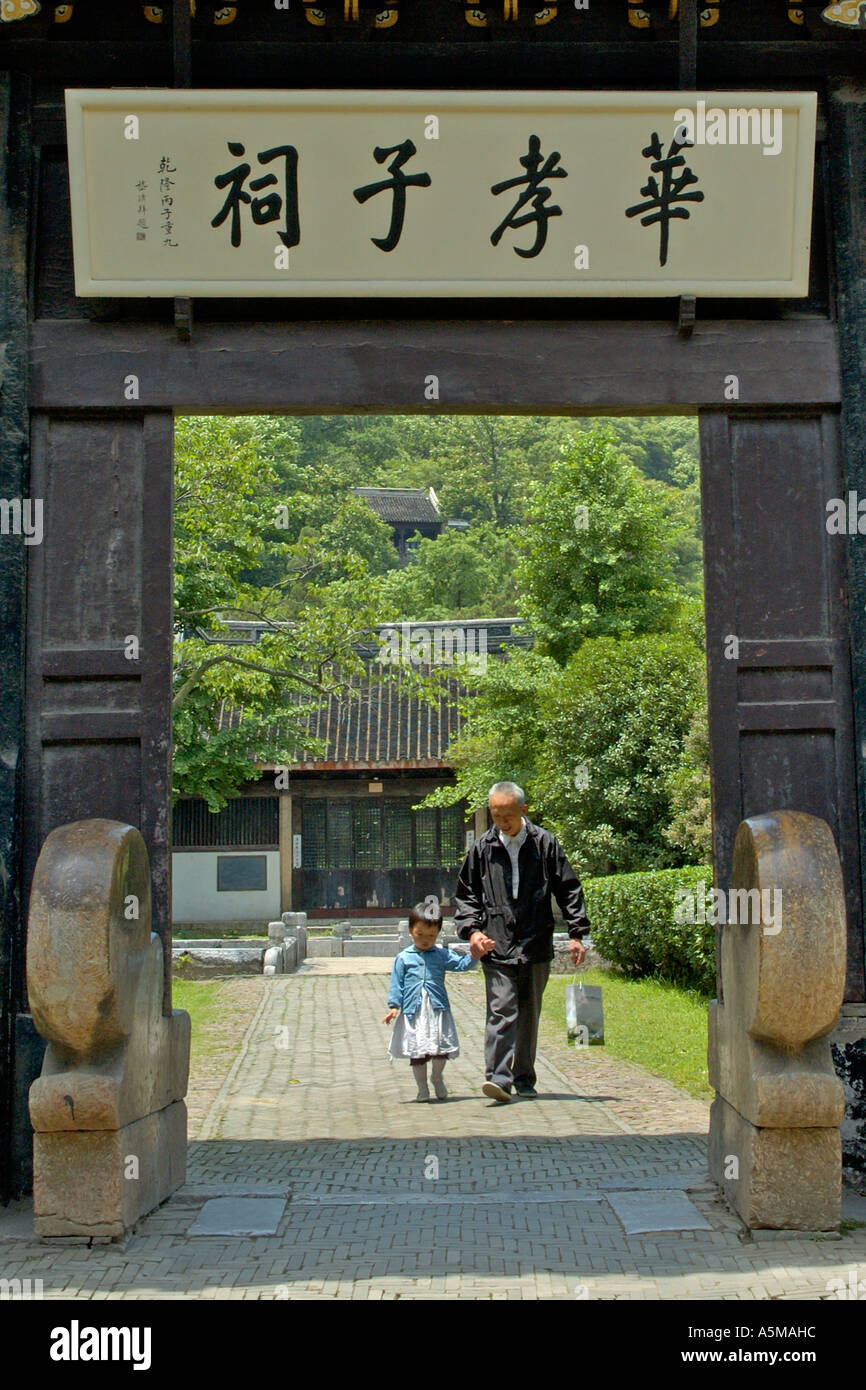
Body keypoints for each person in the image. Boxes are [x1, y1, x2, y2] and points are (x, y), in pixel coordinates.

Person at [455, 781, 590, 1103]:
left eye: (508, 816)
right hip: (496, 941)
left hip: (535, 941)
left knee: (529, 1012)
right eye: (495, 815)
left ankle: (524, 1078)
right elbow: (467, 893)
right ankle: (497, 1079)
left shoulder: (545, 844)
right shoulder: (483, 847)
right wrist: (472, 931)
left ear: (524, 811)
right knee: (502, 1010)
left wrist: (576, 933)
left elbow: (568, 887)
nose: (501, 822)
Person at [383, 895, 476, 1102]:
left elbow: (461, 965)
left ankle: (437, 1077)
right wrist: (393, 1007)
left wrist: (475, 955)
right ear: (410, 930)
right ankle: (422, 1087)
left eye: (431, 935)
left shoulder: (441, 955)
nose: (425, 939)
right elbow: (396, 984)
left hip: (437, 1009)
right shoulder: (404, 958)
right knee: (418, 1051)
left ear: (438, 934)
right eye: (420, 934)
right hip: (413, 1011)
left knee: (439, 1048)